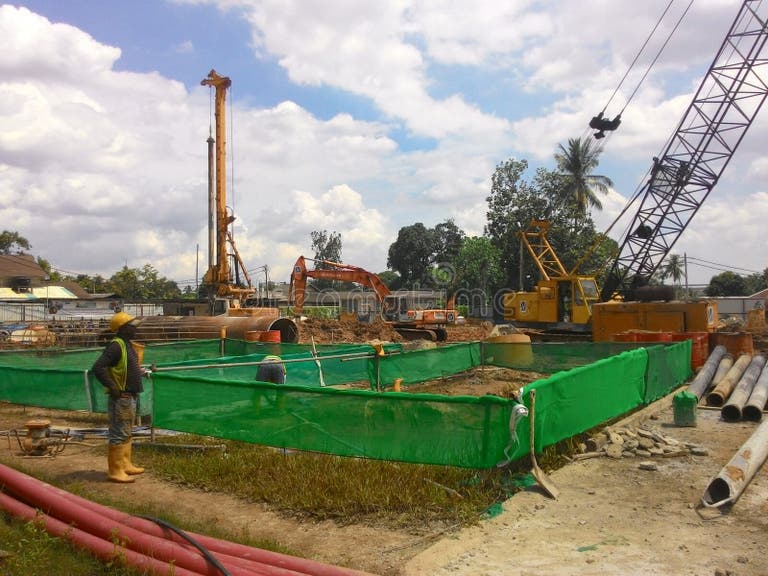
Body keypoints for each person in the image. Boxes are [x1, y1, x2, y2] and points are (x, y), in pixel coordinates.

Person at [92, 311, 146, 483]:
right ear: (122, 329)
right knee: (119, 432)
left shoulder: (127, 344)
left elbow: (126, 368)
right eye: (131, 325)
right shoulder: (116, 345)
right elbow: (98, 367)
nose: (134, 328)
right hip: (122, 397)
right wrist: (112, 386)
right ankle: (115, 471)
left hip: (131, 396)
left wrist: (140, 371)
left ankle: (125, 464)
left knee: (127, 432)